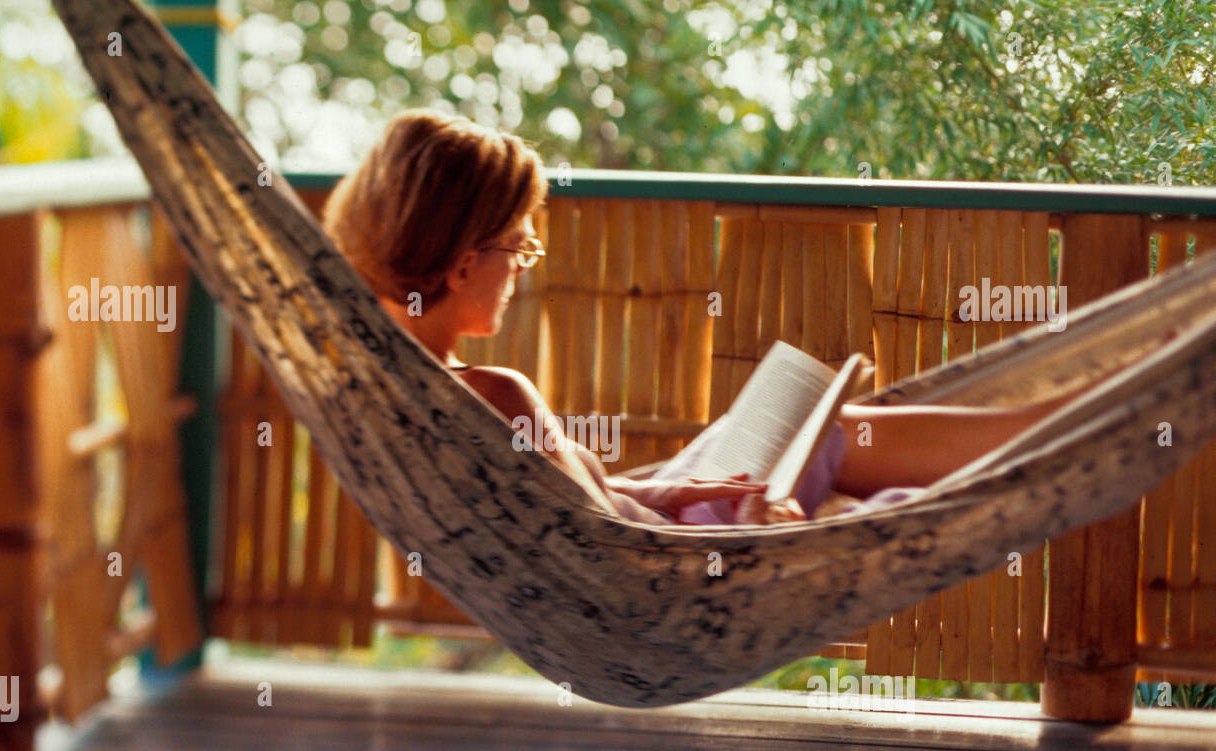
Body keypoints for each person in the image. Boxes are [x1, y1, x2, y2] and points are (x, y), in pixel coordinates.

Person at [323, 108, 1076, 526]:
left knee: (803, 435)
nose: (525, 267)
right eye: (520, 249)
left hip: (675, 510)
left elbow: (579, 515)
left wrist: (665, 491)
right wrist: (754, 532)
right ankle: (1067, 422)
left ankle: (1051, 426)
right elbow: (613, 550)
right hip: (691, 564)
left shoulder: (393, 387)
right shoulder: (501, 397)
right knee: (845, 438)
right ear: (462, 266)